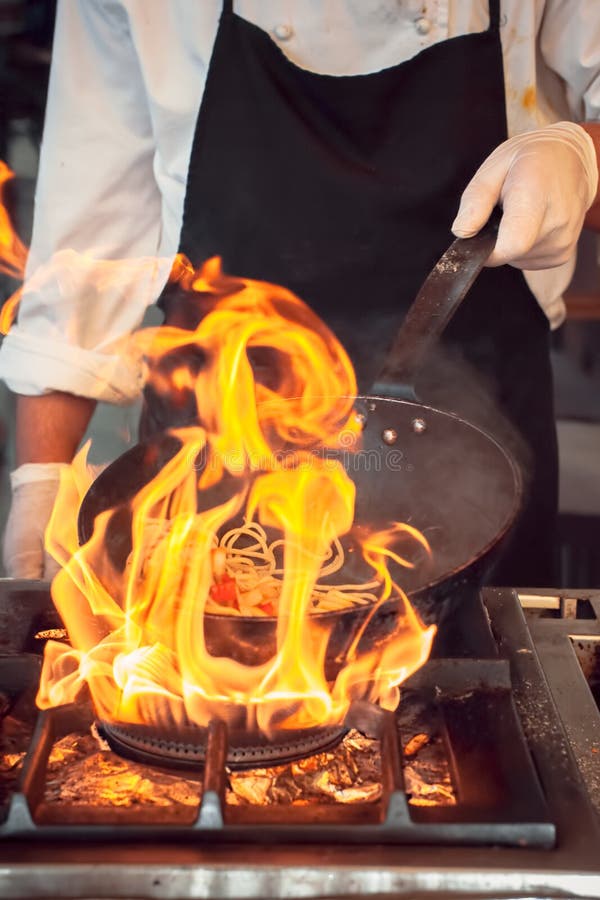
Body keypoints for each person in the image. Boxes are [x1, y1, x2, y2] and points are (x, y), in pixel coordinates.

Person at [1, 0, 599, 585]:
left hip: (476, 436)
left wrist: (579, 156)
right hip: (212, 434)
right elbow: (89, 216)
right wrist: (43, 475)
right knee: (198, 617)